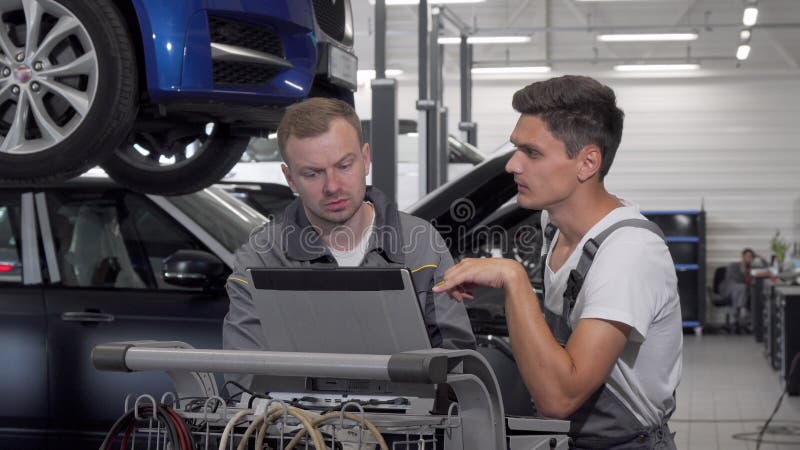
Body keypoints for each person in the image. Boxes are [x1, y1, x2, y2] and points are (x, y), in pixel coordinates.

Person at [433, 75, 682, 449]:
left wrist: (513, 280)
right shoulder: (555, 225)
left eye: (532, 153)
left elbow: (558, 399)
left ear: (587, 163)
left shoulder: (628, 253)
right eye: (516, 148)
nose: (512, 165)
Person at [223, 97, 476, 387]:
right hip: (295, 429)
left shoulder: (420, 246)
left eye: (344, 166)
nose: (332, 186)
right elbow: (243, 378)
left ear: (365, 159)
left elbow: (459, 366)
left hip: (409, 430)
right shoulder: (260, 259)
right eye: (313, 173)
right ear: (290, 178)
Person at [720, 248, 757, 331]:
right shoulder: (734, 266)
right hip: (729, 288)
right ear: (743, 256)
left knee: (745, 290)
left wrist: (760, 257)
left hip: (741, 292)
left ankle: (737, 315)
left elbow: (768, 268)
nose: (749, 258)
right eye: (748, 256)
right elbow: (732, 279)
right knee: (741, 287)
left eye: (751, 257)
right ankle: (741, 311)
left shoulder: (752, 268)